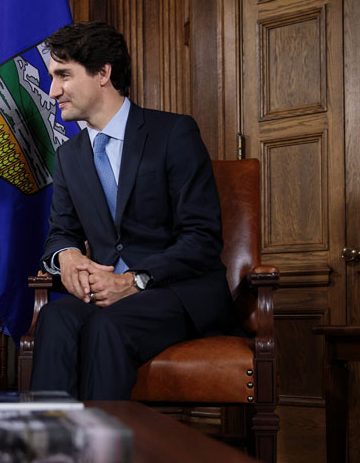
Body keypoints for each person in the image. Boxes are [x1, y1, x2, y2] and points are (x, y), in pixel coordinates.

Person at [30, 22, 235, 400]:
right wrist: (69, 255)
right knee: (55, 318)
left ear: (103, 73)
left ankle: (103, 456)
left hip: (176, 294)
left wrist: (134, 280)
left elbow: (202, 239)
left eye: (63, 75)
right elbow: (61, 233)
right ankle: (50, 451)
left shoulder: (173, 133)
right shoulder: (69, 156)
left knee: (105, 327)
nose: (52, 90)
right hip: (107, 296)